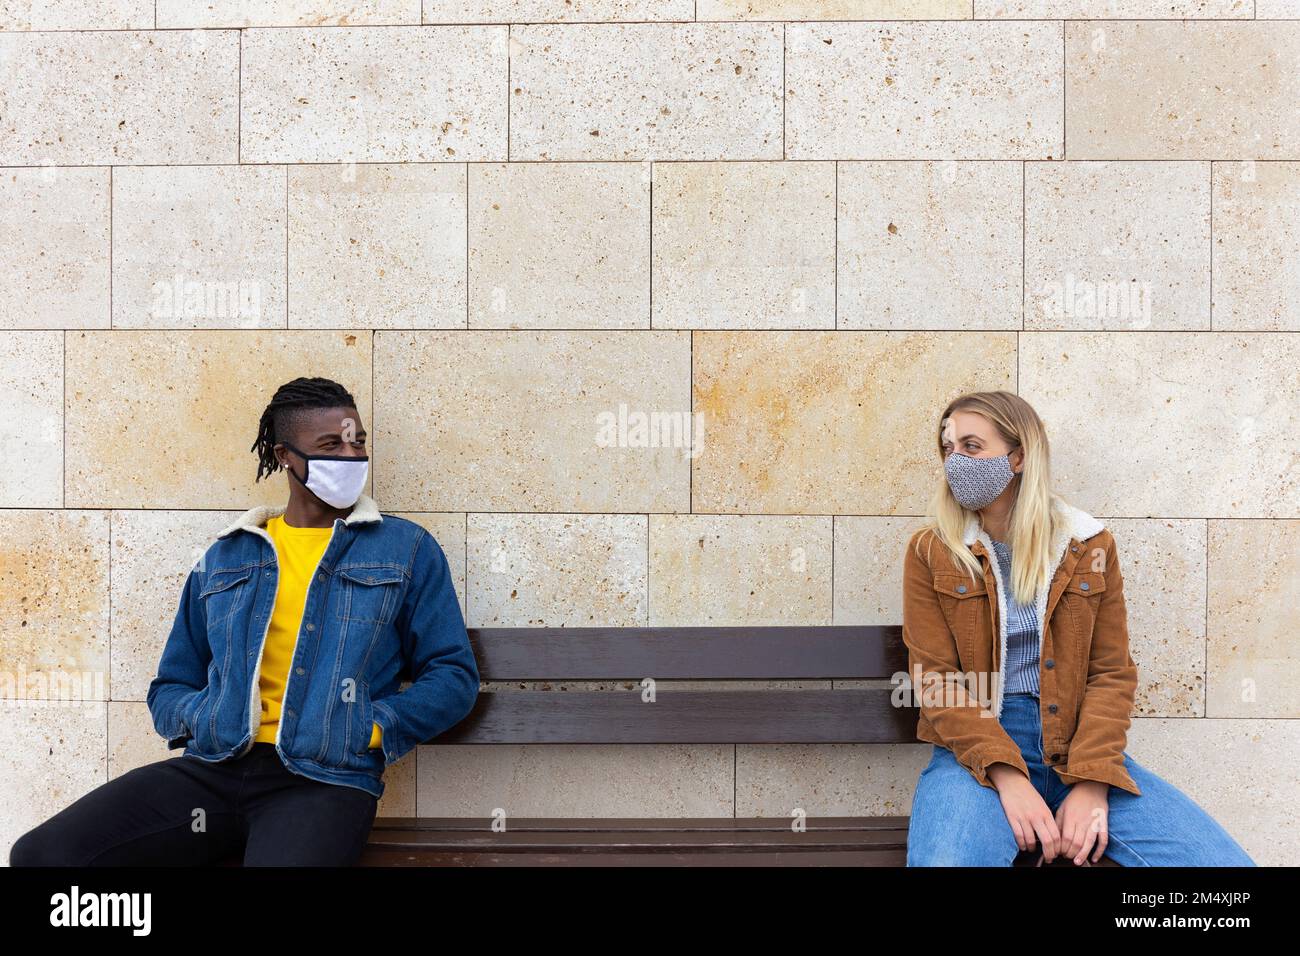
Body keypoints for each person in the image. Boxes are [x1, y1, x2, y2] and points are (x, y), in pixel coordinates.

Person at [10, 377, 479, 866]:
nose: (351, 456)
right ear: (284, 456)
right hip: (213, 770)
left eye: (357, 442)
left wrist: (369, 728)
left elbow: (453, 676)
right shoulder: (227, 555)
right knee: (43, 855)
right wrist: (203, 717)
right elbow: (171, 683)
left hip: (322, 781)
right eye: (330, 445)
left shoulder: (404, 549)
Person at [902, 390, 1254, 867]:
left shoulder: (1088, 544)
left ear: (1019, 455)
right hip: (975, 755)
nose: (955, 461)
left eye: (971, 446)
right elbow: (935, 680)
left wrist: (1091, 783)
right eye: (948, 449)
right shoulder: (932, 550)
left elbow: (1110, 673)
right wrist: (1008, 775)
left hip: (1077, 747)